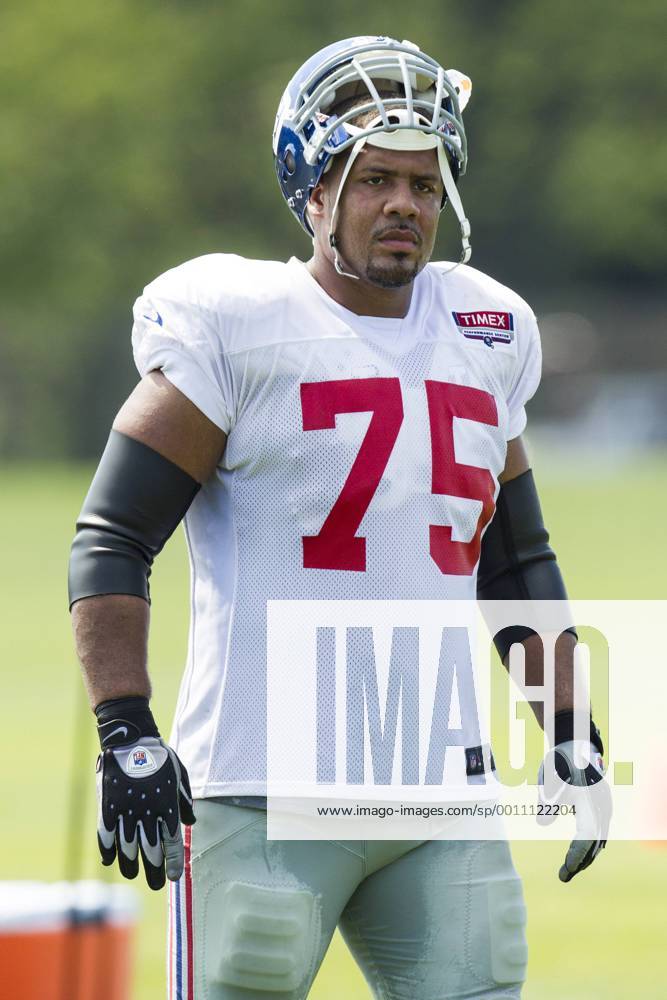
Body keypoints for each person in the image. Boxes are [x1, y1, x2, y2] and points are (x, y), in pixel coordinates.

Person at [69, 36, 609, 1000]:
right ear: (313, 190)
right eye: (374, 180)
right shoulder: (238, 321)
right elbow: (113, 536)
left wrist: (568, 723)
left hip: (439, 789)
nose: (404, 204)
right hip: (261, 787)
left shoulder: (486, 329)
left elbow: (515, 560)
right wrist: (125, 730)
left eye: (424, 182)